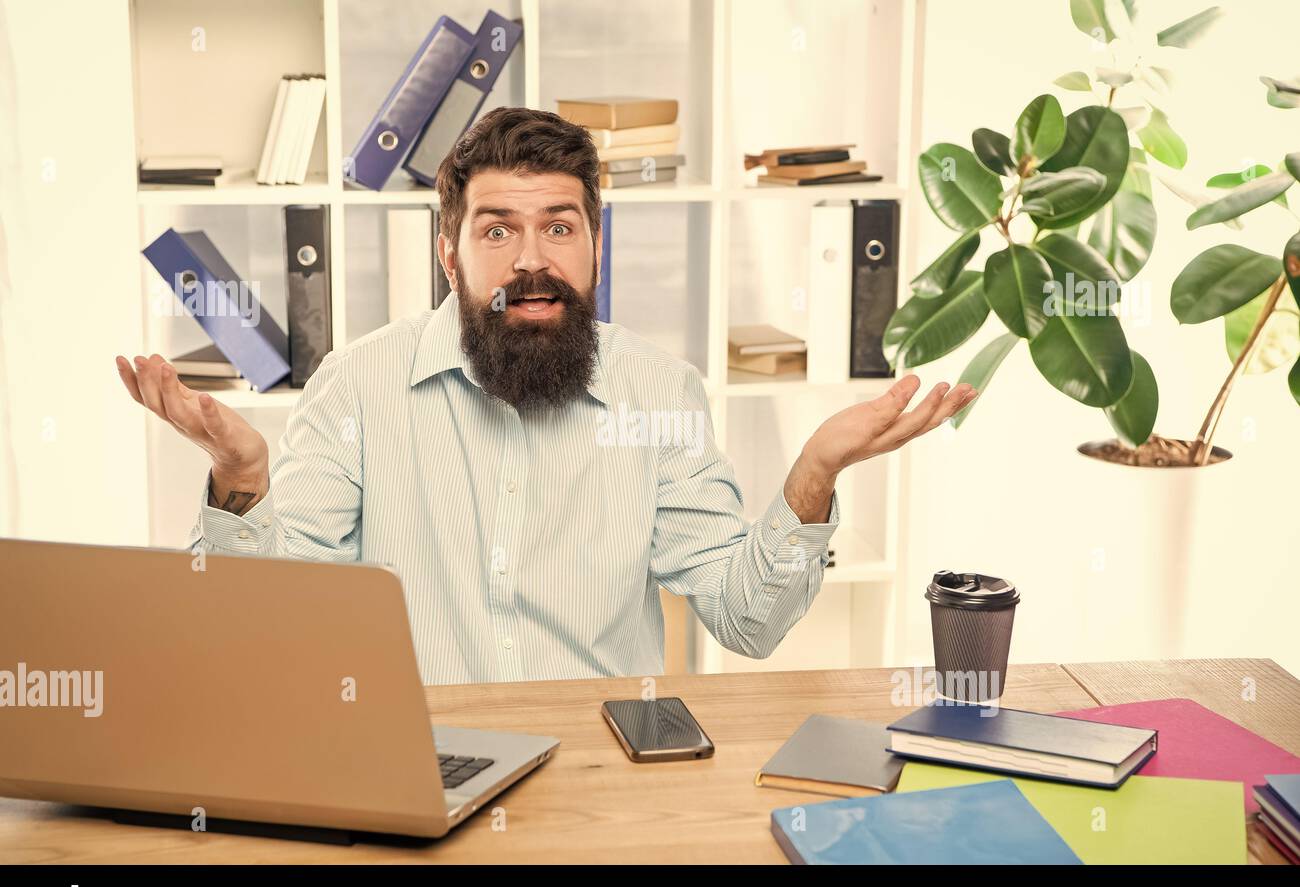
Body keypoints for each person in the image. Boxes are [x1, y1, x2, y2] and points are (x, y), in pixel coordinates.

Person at [114, 107, 977, 685]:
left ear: (595, 247)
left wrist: (814, 472)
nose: (533, 261)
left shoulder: (660, 392)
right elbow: (265, 620)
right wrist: (240, 481)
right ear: (449, 254)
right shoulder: (359, 384)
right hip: (413, 764)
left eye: (559, 228)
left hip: (604, 776)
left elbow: (747, 619)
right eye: (498, 231)